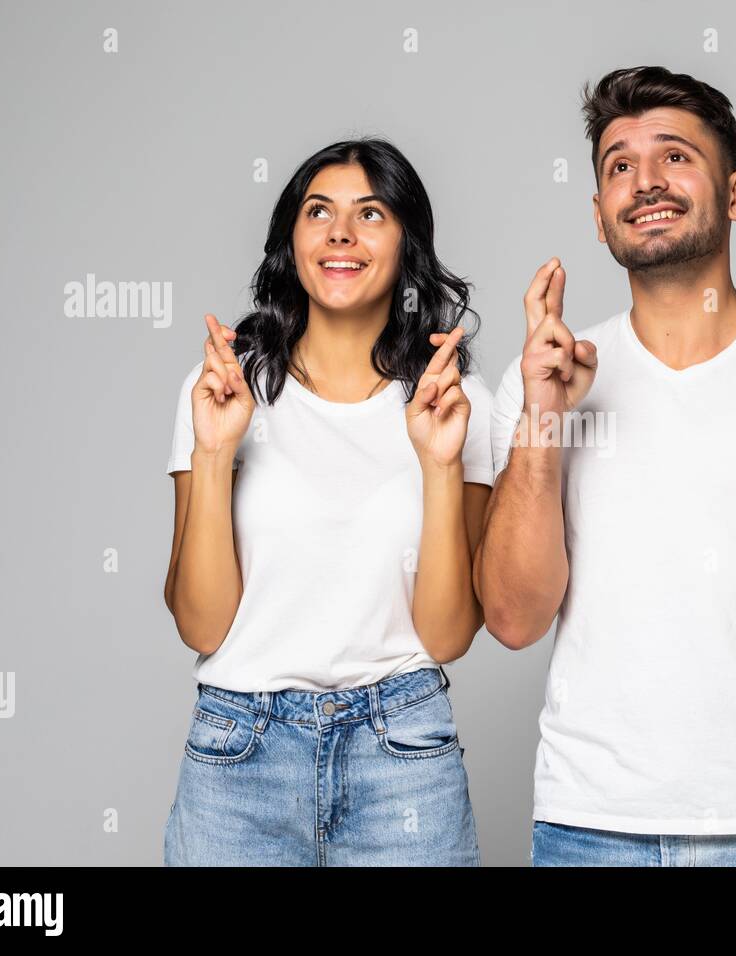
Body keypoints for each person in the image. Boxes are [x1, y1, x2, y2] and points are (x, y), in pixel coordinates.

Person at [475, 66, 736, 866]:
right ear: (600, 219)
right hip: (585, 829)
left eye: (675, 156)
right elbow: (511, 618)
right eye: (618, 166)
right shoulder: (546, 379)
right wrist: (542, 421)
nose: (644, 182)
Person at [162, 138, 491, 866]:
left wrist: (440, 465)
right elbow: (200, 623)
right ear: (293, 240)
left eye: (369, 212)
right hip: (237, 759)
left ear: (407, 242)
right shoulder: (222, 389)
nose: (341, 232)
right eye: (320, 211)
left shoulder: (460, 405)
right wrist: (215, 453)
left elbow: (447, 637)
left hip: (401, 753)